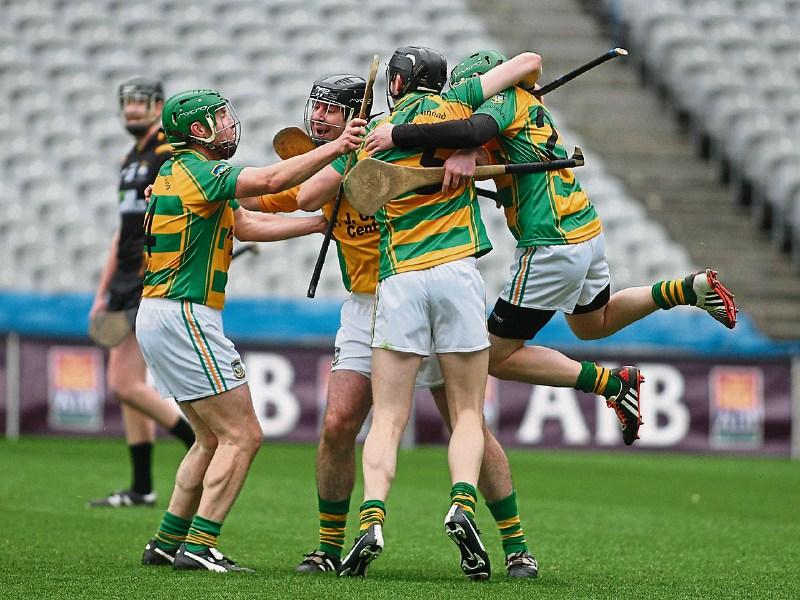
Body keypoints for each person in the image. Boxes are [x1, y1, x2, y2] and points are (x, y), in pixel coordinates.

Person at [364, 49, 739, 446]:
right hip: (584, 228)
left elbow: (473, 131)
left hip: (551, 243)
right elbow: (477, 139)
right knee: (594, 323)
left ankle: (611, 383)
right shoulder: (525, 103)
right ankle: (687, 289)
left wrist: (404, 135)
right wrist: (467, 152)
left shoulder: (503, 101)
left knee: (493, 357)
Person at [249, 74, 537, 579]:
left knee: (464, 421)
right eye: (314, 109)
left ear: (357, 115)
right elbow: (260, 198)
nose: (318, 118)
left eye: (331, 111)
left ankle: (516, 546)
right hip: (368, 306)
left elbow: (481, 135)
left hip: (407, 285)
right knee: (339, 423)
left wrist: (467, 153)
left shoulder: (388, 138)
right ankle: (327, 546)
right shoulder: (323, 163)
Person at [137, 88, 366, 572]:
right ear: (198, 131)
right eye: (219, 119)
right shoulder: (200, 171)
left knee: (210, 438)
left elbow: (243, 225)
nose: (228, 126)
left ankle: (167, 541)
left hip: (161, 315)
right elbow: (272, 178)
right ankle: (199, 547)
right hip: (184, 314)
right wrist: (339, 145)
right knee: (243, 435)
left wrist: (312, 226)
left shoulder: (176, 173)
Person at [89, 76, 196, 508]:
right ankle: (141, 487)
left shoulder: (166, 154)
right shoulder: (129, 160)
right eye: (127, 104)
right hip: (122, 282)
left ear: (159, 107)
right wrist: (101, 293)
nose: (132, 110)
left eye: (141, 103)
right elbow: (122, 232)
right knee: (130, 387)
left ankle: (197, 442)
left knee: (123, 383)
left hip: (147, 275)